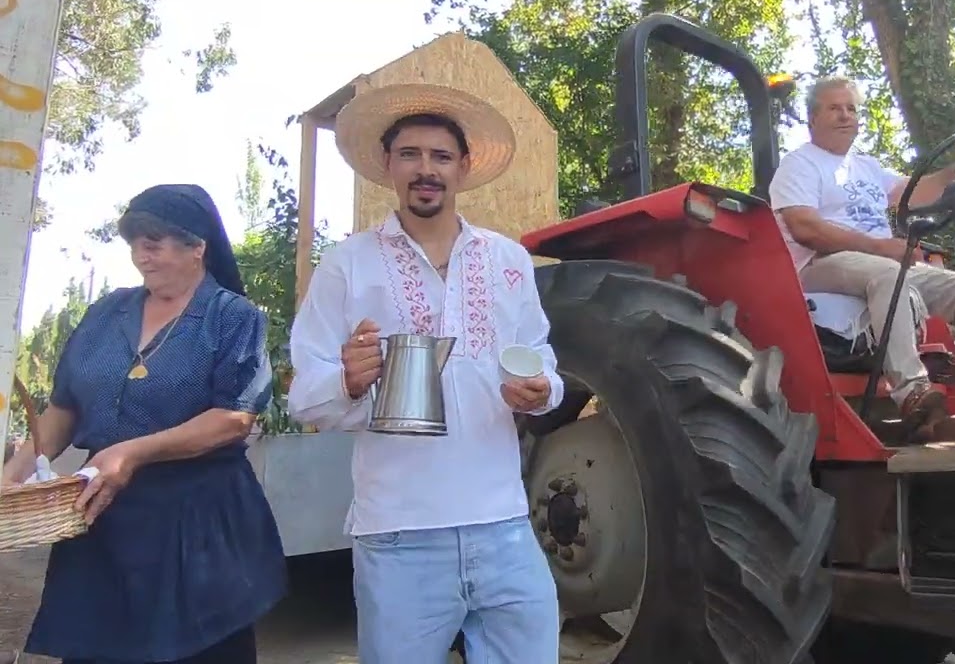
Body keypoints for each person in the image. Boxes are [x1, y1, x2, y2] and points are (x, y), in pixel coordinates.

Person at [287, 82, 565, 664]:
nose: (425, 169)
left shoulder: (507, 260)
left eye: (440, 156)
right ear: (387, 166)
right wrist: (348, 380)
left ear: (463, 167)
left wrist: (542, 389)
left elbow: (540, 354)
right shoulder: (349, 264)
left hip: (505, 525)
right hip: (399, 534)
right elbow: (304, 397)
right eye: (410, 155)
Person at [1, 184, 287, 664]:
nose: (140, 255)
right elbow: (65, 407)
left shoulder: (232, 318)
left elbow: (233, 418)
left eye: (152, 242)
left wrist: (131, 452)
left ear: (197, 247)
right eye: (133, 243)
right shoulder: (106, 313)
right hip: (102, 518)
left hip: (197, 525)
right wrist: (16, 472)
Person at [770, 77, 955, 436]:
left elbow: (911, 193)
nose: (845, 116)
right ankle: (912, 390)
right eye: (834, 108)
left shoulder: (866, 167)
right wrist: (882, 247)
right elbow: (805, 229)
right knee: (890, 277)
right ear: (812, 118)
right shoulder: (800, 164)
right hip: (819, 266)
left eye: (851, 108)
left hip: (879, 263)